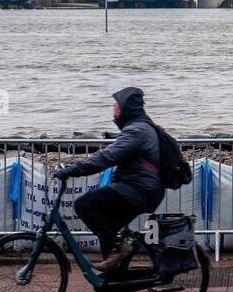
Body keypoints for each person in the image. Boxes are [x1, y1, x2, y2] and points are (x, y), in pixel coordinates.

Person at [53, 87, 165, 274]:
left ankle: (118, 251)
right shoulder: (139, 127)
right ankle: (110, 281)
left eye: (117, 104)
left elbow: (106, 157)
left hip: (139, 190)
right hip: (142, 189)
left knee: (85, 204)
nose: (113, 107)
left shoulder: (137, 131)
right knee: (110, 230)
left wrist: (72, 170)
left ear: (126, 108)